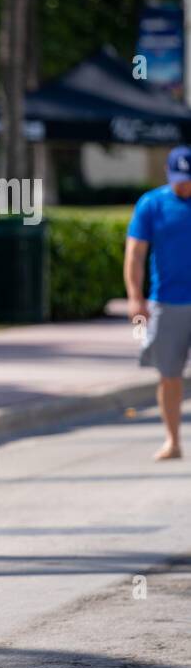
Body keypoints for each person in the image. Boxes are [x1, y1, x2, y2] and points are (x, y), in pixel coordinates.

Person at [126, 144, 191, 460]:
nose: (185, 184)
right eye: (180, 178)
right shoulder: (151, 204)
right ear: (168, 173)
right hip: (166, 302)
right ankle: (173, 441)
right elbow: (135, 254)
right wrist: (135, 297)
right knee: (169, 375)